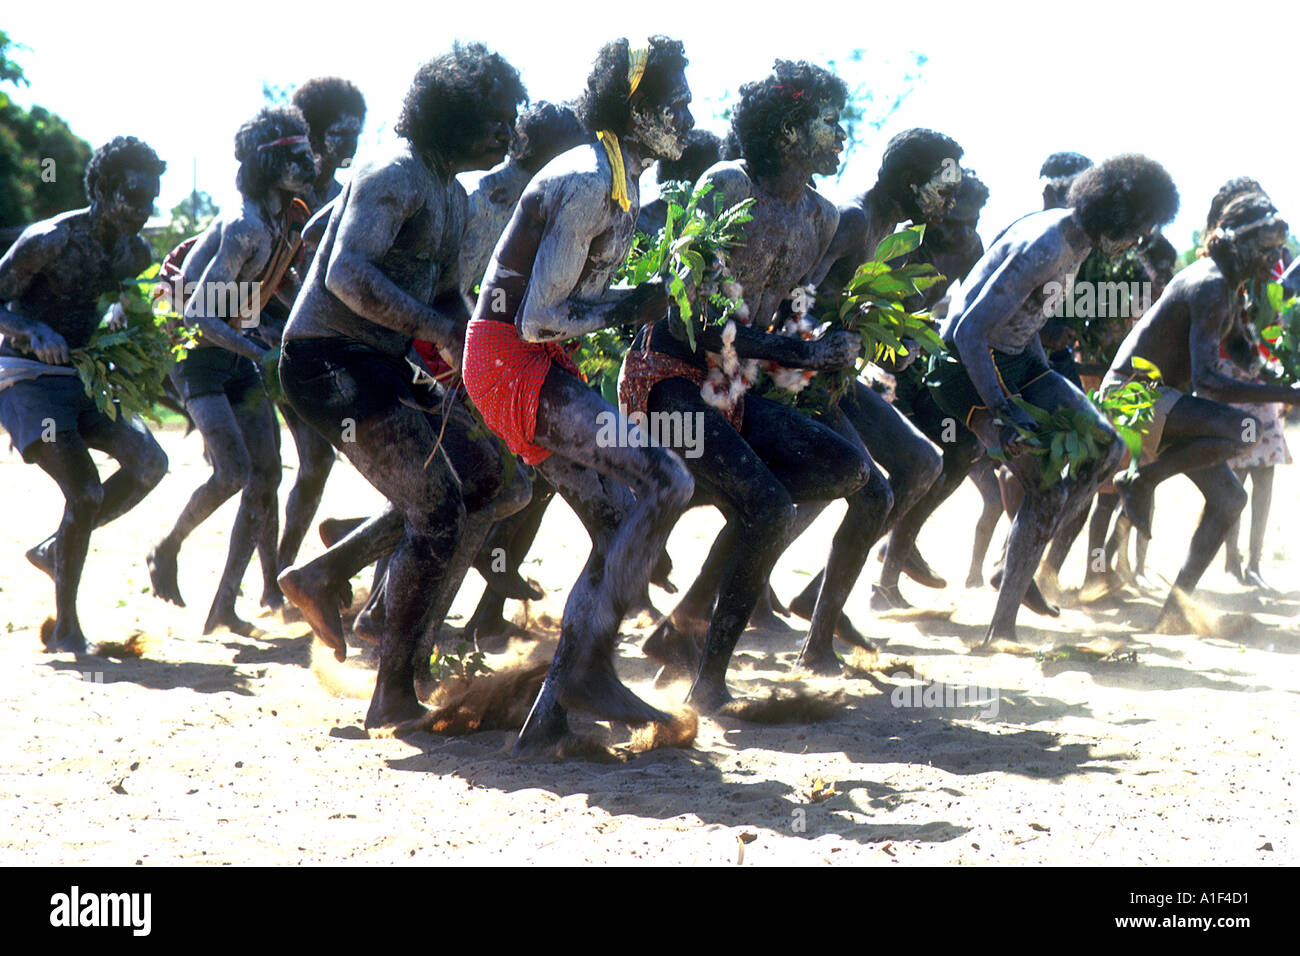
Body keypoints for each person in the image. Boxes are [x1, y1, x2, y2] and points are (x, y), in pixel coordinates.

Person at [462, 36, 697, 752]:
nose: (688, 115)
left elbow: (563, 303)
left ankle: (549, 719)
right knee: (668, 479)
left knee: (619, 513)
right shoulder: (592, 180)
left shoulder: (617, 178)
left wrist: (637, 298)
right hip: (514, 360)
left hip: (525, 360)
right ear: (636, 107)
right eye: (675, 103)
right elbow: (537, 316)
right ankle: (589, 669)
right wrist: (631, 308)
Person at [0, 136, 169, 652]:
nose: (143, 211)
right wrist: (31, 330)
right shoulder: (50, 240)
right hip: (25, 379)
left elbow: (130, 309)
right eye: (133, 197)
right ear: (100, 190)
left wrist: (139, 326)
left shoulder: (134, 252)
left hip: (83, 376)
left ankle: (57, 550)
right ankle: (66, 627)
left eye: (150, 201)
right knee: (86, 489)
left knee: (149, 463)